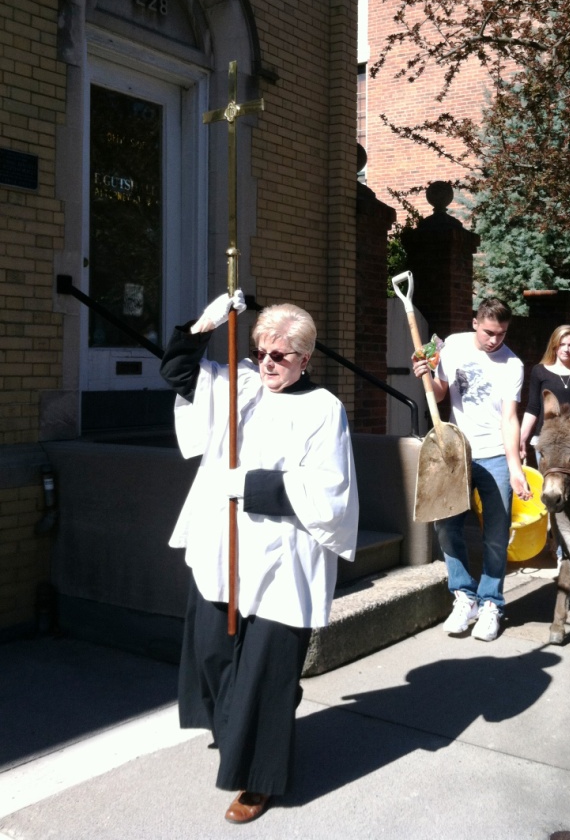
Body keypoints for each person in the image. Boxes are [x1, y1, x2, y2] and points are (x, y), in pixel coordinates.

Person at [160, 293, 359, 824]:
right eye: (262, 351)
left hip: (282, 558)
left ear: (306, 358)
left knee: (266, 673)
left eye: (281, 356)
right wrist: (204, 322)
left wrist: (248, 485)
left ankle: (257, 778)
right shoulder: (240, 385)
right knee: (212, 652)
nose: (268, 363)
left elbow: (330, 490)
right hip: (223, 546)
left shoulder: (324, 410)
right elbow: (178, 369)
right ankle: (236, 734)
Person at [412, 297, 528, 643]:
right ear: (475, 322)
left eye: (502, 334)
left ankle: (492, 602)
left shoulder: (513, 365)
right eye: (490, 332)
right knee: (446, 526)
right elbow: (440, 392)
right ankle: (465, 596)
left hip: (494, 455)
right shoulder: (453, 345)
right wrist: (426, 375)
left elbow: (510, 419)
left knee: (496, 533)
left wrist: (515, 467)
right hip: (456, 452)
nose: (495, 340)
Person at [520, 324, 570, 466]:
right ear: (554, 345)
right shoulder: (539, 371)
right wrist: (522, 438)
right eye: (562, 344)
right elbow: (533, 408)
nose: (566, 349)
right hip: (546, 439)